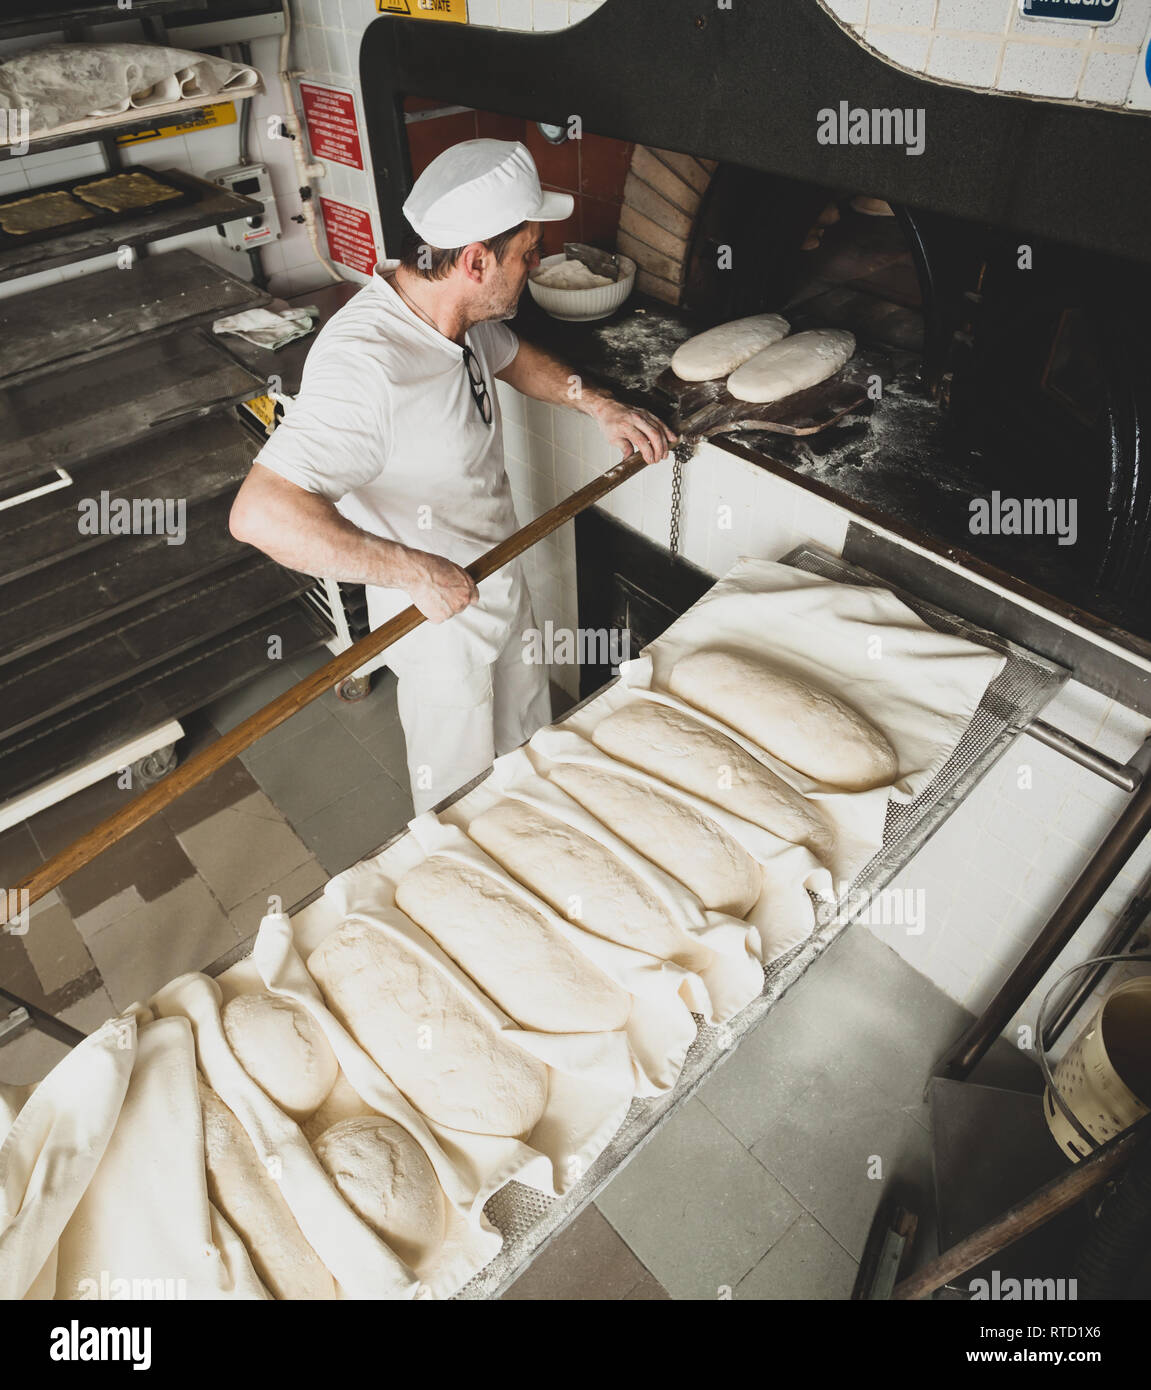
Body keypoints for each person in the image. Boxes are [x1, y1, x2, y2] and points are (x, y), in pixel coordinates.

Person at [229, 138, 675, 814]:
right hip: (436, 614)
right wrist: (413, 572)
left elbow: (513, 357)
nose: (533, 267)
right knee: (459, 798)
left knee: (527, 746)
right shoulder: (368, 365)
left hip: (498, 570)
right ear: (474, 260)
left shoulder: (452, 312)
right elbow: (260, 513)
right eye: (527, 254)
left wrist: (598, 402)